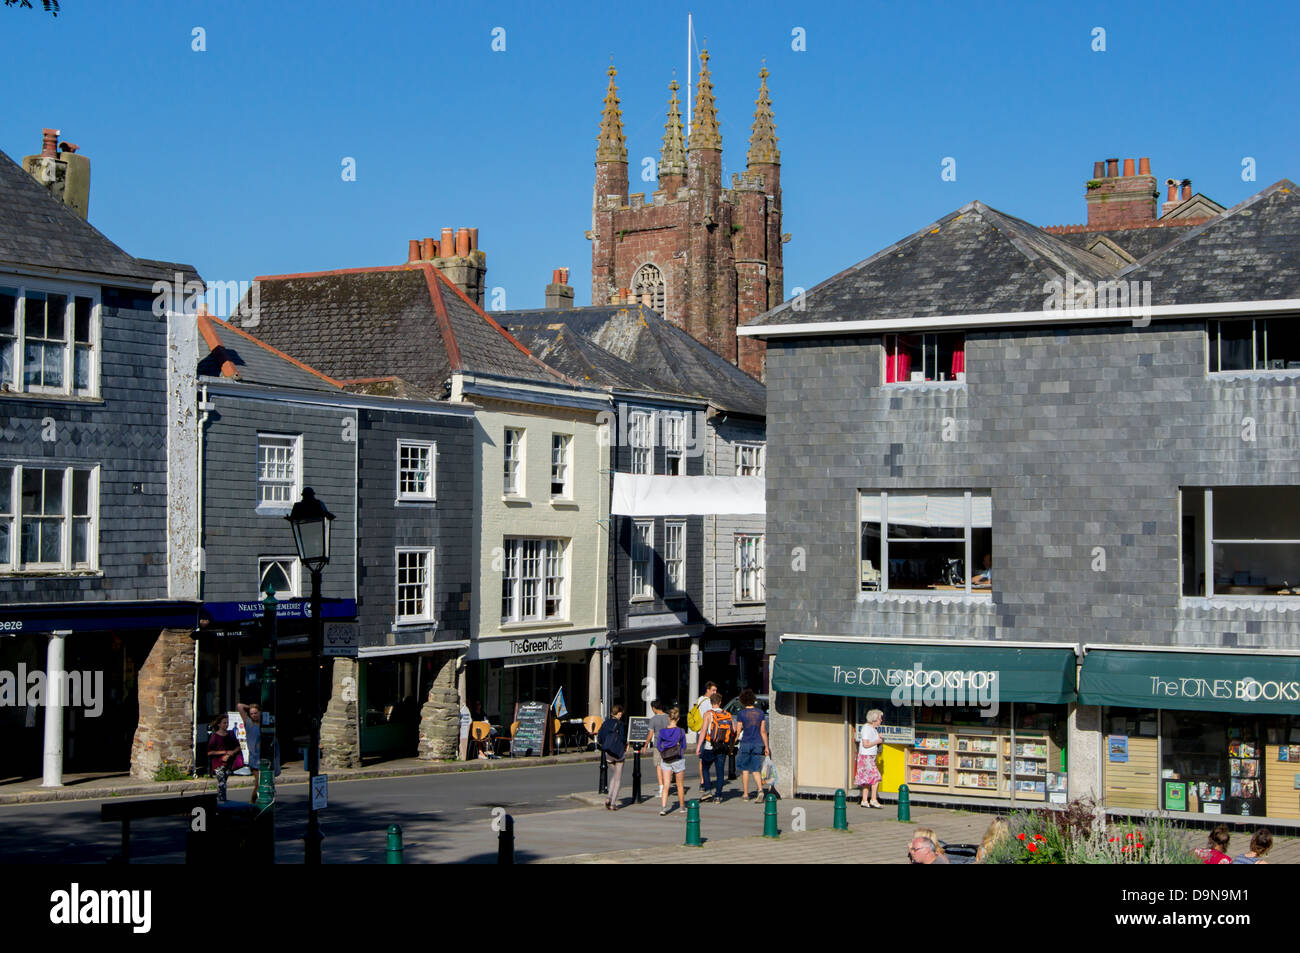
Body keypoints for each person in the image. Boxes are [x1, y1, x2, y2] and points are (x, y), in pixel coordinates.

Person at [695, 692, 732, 802]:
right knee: (720, 772)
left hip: (710, 746)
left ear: (711, 703)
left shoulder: (708, 714)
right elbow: (733, 730)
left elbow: (703, 732)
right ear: (720, 702)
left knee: (705, 767)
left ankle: (707, 791)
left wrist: (698, 747)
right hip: (722, 746)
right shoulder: (727, 714)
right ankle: (718, 796)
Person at [734, 688, 769, 802]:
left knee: (745, 770)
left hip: (745, 742)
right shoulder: (760, 713)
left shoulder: (741, 713)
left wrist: (733, 742)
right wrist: (766, 747)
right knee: (755, 769)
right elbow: (763, 731)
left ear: (743, 701)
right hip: (757, 742)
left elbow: (738, 731)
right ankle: (760, 790)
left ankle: (745, 794)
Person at [657, 706, 688, 815]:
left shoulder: (662, 731)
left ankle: (663, 807)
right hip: (677, 758)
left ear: (668, 718)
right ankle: (682, 807)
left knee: (666, 785)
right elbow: (684, 746)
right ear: (678, 719)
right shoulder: (681, 731)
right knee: (680, 785)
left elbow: (658, 746)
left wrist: (663, 751)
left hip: (666, 759)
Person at [597, 705, 628, 810]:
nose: (621, 715)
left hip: (608, 753)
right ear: (619, 713)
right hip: (618, 753)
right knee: (618, 778)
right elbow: (623, 738)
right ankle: (613, 803)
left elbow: (600, 738)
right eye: (621, 713)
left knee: (613, 776)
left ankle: (608, 798)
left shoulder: (605, 723)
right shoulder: (620, 724)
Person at [207, 716, 242, 801]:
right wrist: (224, 752)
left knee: (223, 783)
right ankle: (222, 801)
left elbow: (238, 747)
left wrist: (231, 753)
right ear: (219, 724)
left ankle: (220, 800)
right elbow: (209, 752)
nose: (226, 725)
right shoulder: (215, 736)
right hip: (218, 763)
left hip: (229, 763)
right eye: (224, 723)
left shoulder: (230, 734)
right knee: (222, 783)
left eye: (227, 723)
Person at [691, 681, 718, 787]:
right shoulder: (708, 702)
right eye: (713, 690)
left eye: (716, 690)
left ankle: (703, 780)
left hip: (699, 731)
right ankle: (703, 781)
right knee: (705, 758)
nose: (715, 692)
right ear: (708, 690)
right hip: (706, 732)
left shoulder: (699, 700)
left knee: (703, 758)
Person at [855, 708, 884, 808]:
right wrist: (877, 741)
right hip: (865, 757)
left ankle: (864, 800)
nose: (881, 720)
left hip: (870, 757)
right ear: (874, 719)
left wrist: (878, 738)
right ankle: (873, 799)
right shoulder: (866, 728)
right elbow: (866, 744)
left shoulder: (873, 729)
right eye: (880, 719)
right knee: (876, 777)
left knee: (868, 779)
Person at [645, 699, 670, 798]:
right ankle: (667, 786)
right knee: (667, 765)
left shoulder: (653, 719)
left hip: (658, 745)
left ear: (654, 708)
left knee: (659, 766)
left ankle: (661, 788)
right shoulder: (668, 717)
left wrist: (645, 745)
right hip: (668, 744)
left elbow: (650, 734)